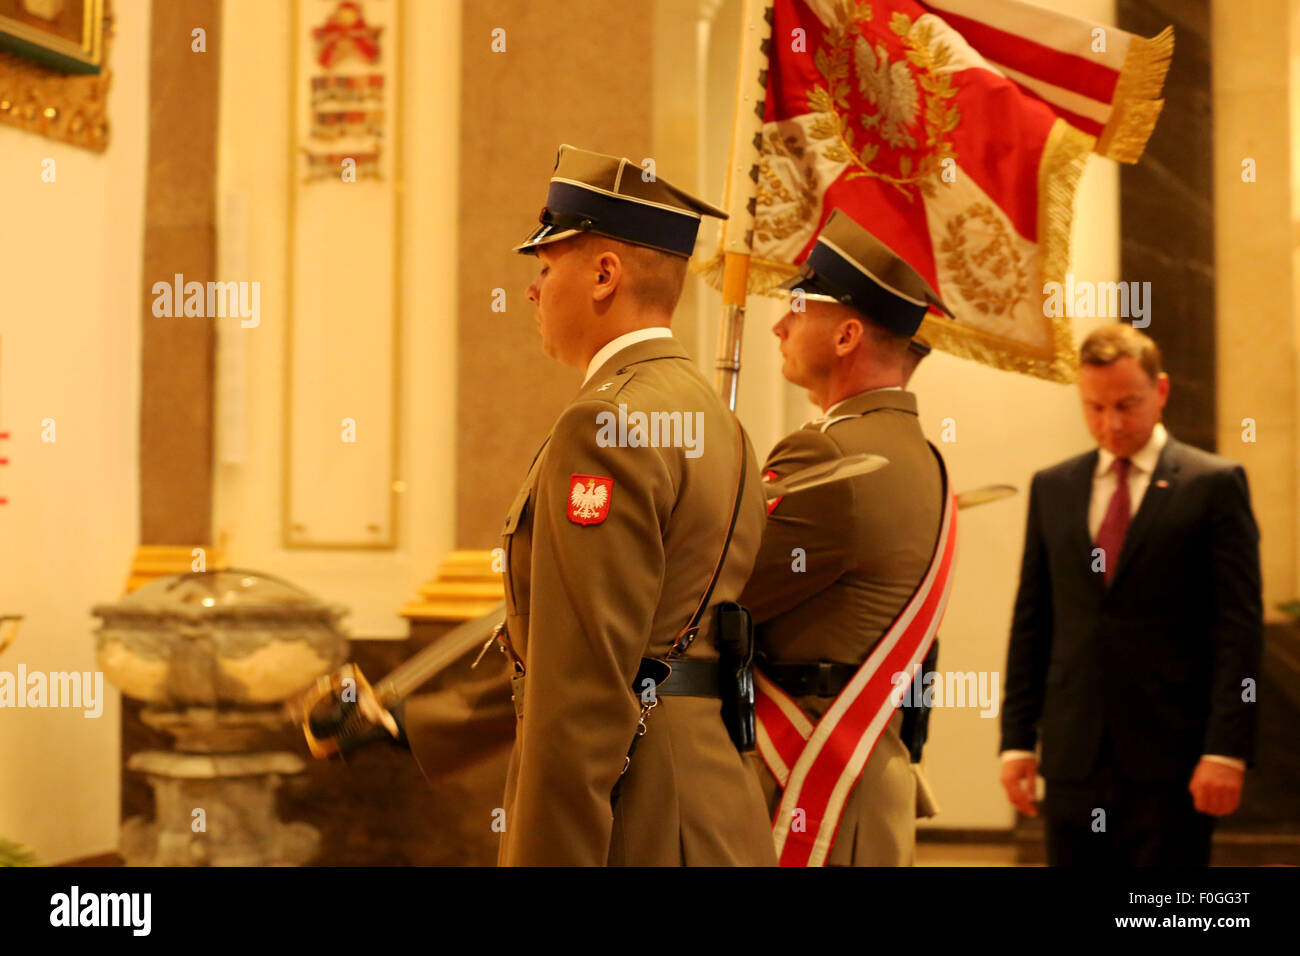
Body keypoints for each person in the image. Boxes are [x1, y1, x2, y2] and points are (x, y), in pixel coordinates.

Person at [494, 144, 776, 865]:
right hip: (716, 799)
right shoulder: (719, 419)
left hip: (641, 815)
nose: (532, 292)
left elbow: (580, 692)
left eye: (545, 266)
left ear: (604, 274)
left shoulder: (604, 425)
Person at [740, 209, 958, 866]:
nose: (779, 324)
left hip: (809, 779)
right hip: (867, 771)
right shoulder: (925, 459)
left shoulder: (829, 457)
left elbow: (717, 595)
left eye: (798, 307)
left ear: (847, 336)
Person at [999, 323, 1262, 866]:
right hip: (1074, 754)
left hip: (1174, 755)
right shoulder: (1054, 486)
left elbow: (1238, 628)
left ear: (1160, 391)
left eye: (1127, 404)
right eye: (1094, 407)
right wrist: (1018, 741)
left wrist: (1226, 749)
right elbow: (1034, 620)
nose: (1111, 424)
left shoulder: (1213, 484)